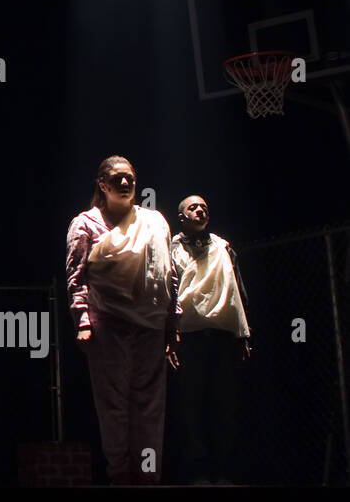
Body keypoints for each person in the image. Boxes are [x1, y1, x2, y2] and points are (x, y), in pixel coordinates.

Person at [64, 155, 180, 485]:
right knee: (114, 405)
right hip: (109, 324)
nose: (126, 183)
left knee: (150, 407)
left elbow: (167, 274)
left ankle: (147, 476)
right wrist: (83, 320)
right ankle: (120, 476)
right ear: (102, 184)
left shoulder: (154, 220)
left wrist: (173, 322)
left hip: (151, 325)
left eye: (130, 177)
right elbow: (77, 276)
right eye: (118, 179)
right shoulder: (86, 223)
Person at [170, 194, 250, 484]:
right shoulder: (171, 249)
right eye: (193, 207)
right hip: (188, 337)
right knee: (190, 404)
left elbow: (237, 293)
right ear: (181, 217)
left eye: (204, 207)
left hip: (221, 336)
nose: (200, 210)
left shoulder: (223, 248)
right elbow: (167, 295)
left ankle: (223, 469)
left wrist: (242, 334)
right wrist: (170, 335)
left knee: (224, 403)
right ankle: (198, 470)